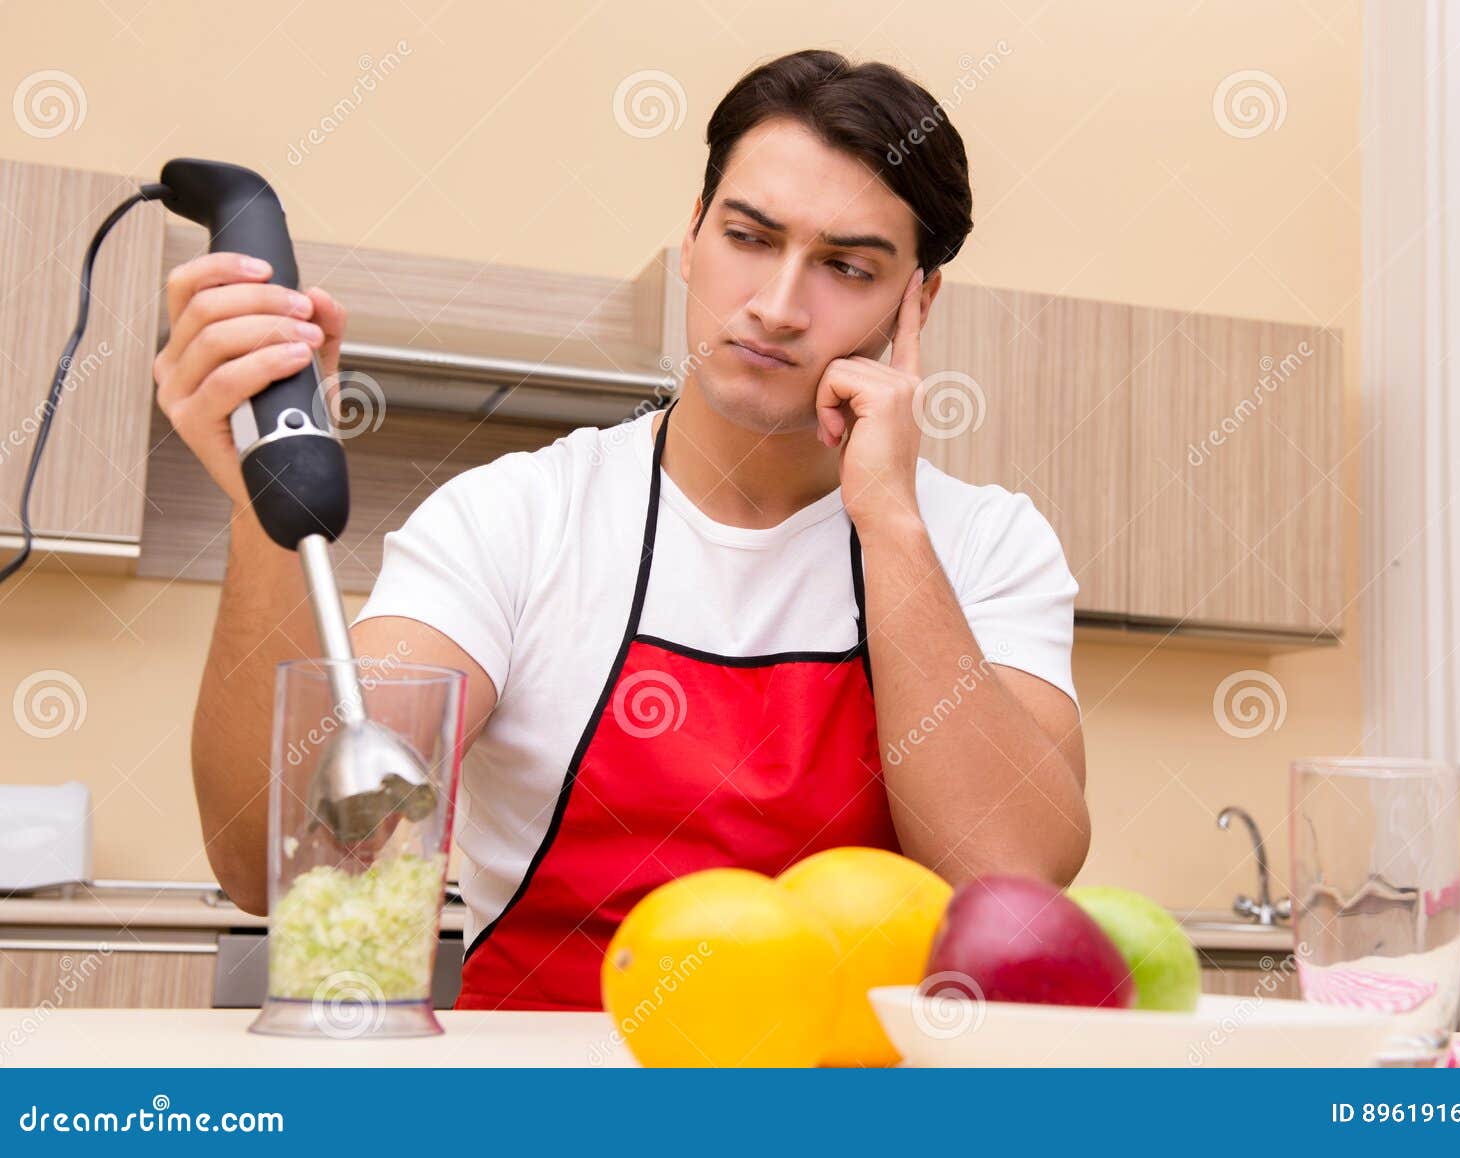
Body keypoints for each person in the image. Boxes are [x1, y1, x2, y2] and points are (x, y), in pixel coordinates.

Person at [154, 49, 1089, 1011]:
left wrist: (889, 519)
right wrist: (263, 495)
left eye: (847, 267)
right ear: (692, 235)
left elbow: (1009, 881)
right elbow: (284, 858)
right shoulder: (516, 519)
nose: (777, 306)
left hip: (852, 1080)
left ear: (916, 301)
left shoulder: (985, 544)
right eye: (748, 237)